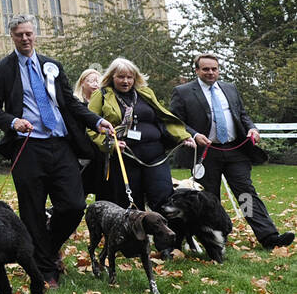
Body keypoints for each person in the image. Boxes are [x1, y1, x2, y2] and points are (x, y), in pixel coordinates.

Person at [0, 15, 116, 287]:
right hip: (27, 146)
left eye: (29, 33)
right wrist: (12, 121)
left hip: (60, 144)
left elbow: (70, 102)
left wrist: (97, 121)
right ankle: (45, 270)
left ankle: (45, 247)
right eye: (20, 34)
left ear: (35, 34)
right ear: (12, 36)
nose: (25, 38)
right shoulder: (3, 68)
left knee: (74, 205)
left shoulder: (51, 65)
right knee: (31, 211)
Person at [169, 53, 294, 250]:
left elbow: (242, 114)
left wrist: (252, 128)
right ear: (197, 71)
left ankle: (269, 237)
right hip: (205, 153)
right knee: (209, 199)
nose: (211, 72)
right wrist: (193, 135)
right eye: (206, 69)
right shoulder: (182, 92)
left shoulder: (230, 88)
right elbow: (175, 121)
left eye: (214, 69)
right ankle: (215, 239)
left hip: (235, 150)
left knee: (246, 194)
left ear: (218, 69)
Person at [85, 59, 193, 236]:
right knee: (130, 201)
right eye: (121, 77)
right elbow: (90, 125)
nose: (125, 81)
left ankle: (167, 243)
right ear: (112, 77)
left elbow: (163, 118)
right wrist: (110, 144)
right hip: (125, 157)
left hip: (155, 155)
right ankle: (132, 242)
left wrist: (184, 136)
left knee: (163, 197)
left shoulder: (145, 93)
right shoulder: (102, 94)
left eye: (130, 77)